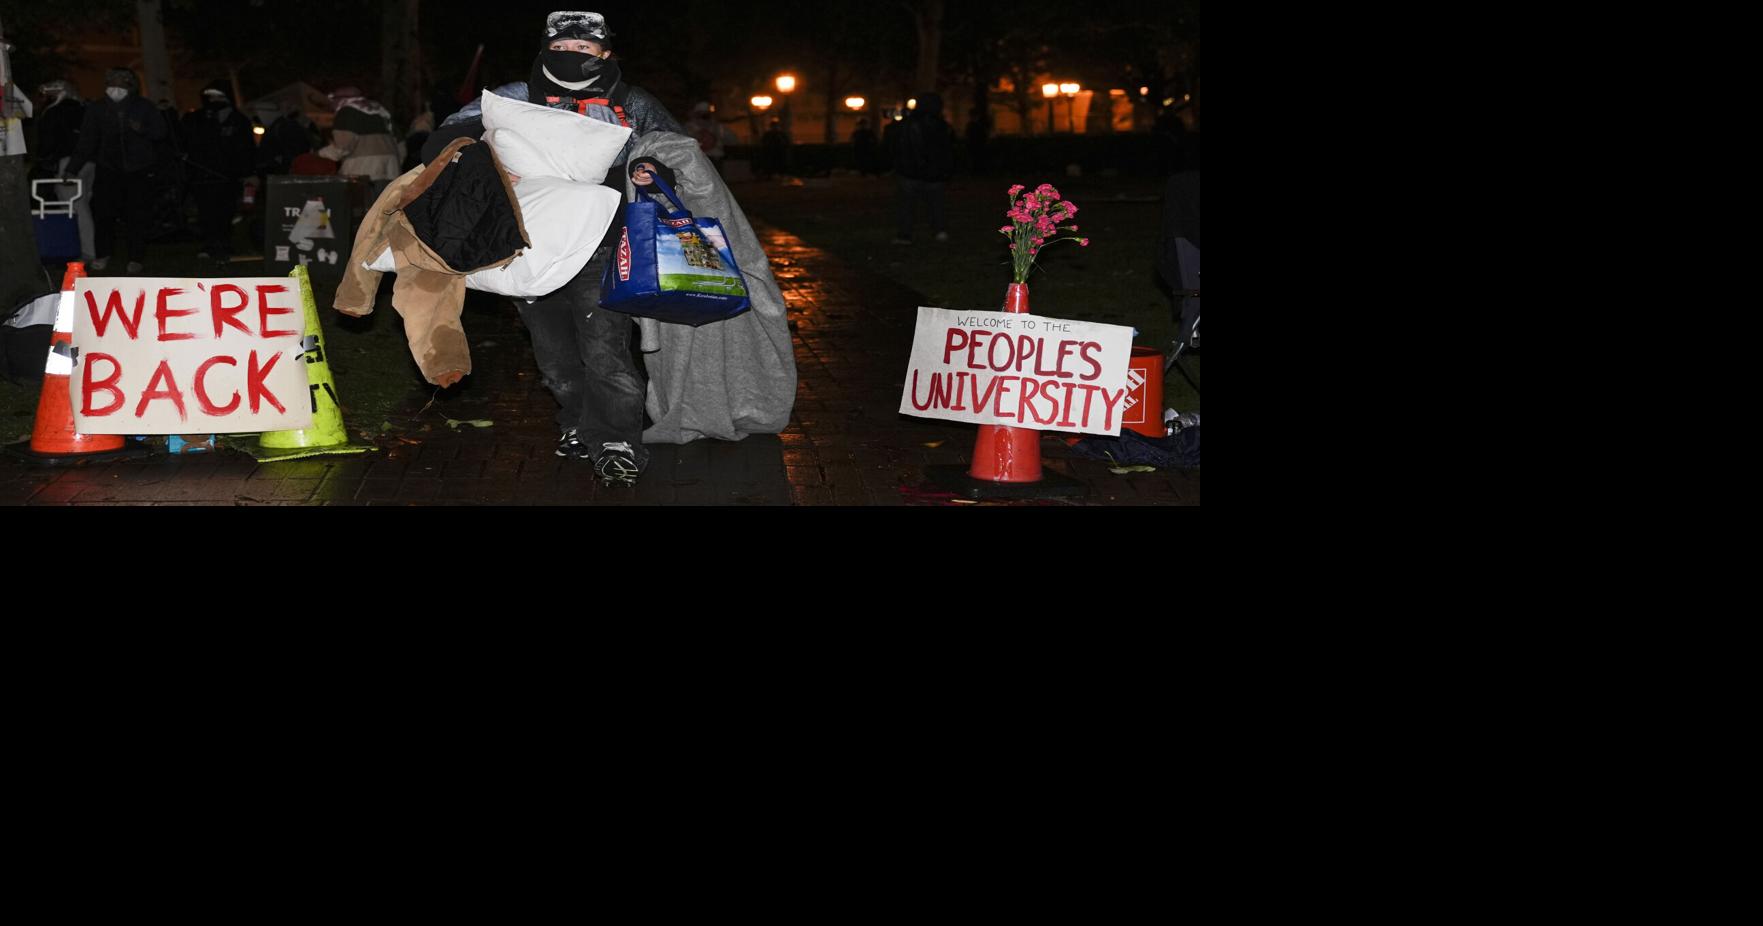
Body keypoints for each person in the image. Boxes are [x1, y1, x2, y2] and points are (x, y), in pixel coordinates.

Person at [425, 9, 684, 485]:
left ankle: (617, 440)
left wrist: (652, 173)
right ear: (545, 50)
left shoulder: (634, 103)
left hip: (605, 241)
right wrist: (485, 162)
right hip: (531, 244)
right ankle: (578, 422)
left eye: (583, 50)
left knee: (604, 348)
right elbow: (444, 141)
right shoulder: (514, 98)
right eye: (560, 48)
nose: (570, 56)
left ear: (605, 54)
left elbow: (679, 151)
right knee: (555, 358)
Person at [65, 68, 166, 273]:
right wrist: (72, 169)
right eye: (111, 81)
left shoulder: (143, 106)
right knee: (103, 213)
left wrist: (142, 129)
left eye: (121, 82)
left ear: (131, 85)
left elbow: (160, 132)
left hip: (139, 169)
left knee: (137, 215)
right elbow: (87, 140)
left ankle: (135, 257)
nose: (115, 86)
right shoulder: (97, 108)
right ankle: (103, 254)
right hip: (108, 168)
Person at [180, 80, 257, 262]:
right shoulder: (197, 119)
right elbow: (187, 139)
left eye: (218, 96)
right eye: (210, 97)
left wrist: (248, 173)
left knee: (226, 212)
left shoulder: (238, 120)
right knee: (206, 212)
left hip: (228, 176)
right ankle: (209, 244)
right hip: (203, 176)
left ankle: (224, 243)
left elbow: (247, 148)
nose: (214, 100)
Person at [33, 80, 96, 265]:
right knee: (81, 205)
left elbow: (48, 141)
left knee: (73, 206)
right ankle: (77, 247)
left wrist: (44, 159)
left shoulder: (55, 111)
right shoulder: (83, 109)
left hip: (68, 162)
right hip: (89, 162)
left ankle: (84, 251)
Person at [891, 91, 953, 245]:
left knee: (907, 205)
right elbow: (947, 149)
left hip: (909, 171)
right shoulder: (941, 125)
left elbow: (899, 145)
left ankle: (905, 235)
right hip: (933, 172)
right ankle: (939, 230)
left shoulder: (908, 123)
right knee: (936, 203)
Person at [318, 86, 402, 199]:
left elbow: (343, 147)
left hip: (364, 171)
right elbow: (400, 143)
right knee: (383, 211)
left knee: (363, 210)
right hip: (391, 169)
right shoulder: (381, 110)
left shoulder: (346, 112)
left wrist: (320, 154)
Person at [681, 101, 734, 176]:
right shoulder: (689, 127)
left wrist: (718, 136)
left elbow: (732, 140)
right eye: (701, 113)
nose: (704, 116)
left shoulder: (718, 127)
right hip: (698, 160)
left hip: (715, 159)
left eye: (706, 113)